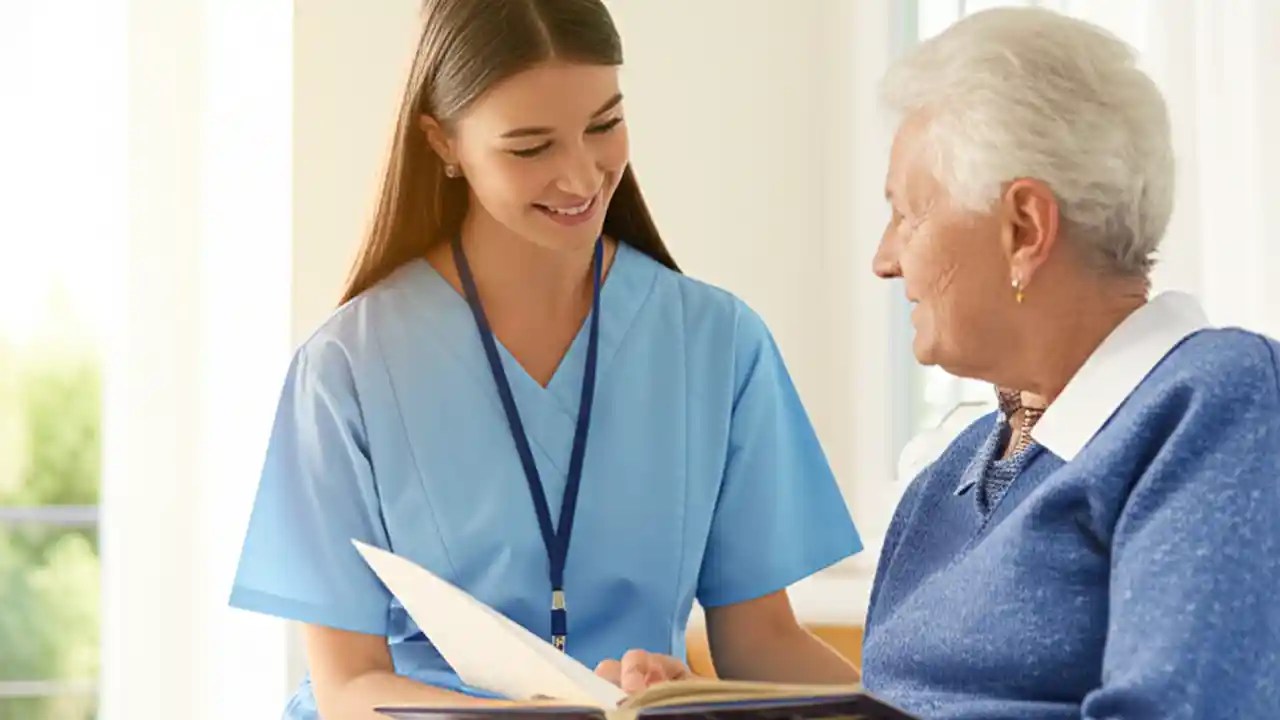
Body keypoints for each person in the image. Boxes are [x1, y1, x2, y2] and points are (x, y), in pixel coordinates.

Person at [598, 8, 1280, 719]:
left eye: (908, 214)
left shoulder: (1214, 403)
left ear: (1025, 228)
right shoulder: (951, 474)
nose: (884, 259)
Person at [228, 0, 862, 717]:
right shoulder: (347, 367)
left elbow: (761, 642)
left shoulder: (718, 342)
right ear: (443, 143)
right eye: (531, 148)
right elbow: (348, 686)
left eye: (604, 126)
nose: (582, 177)